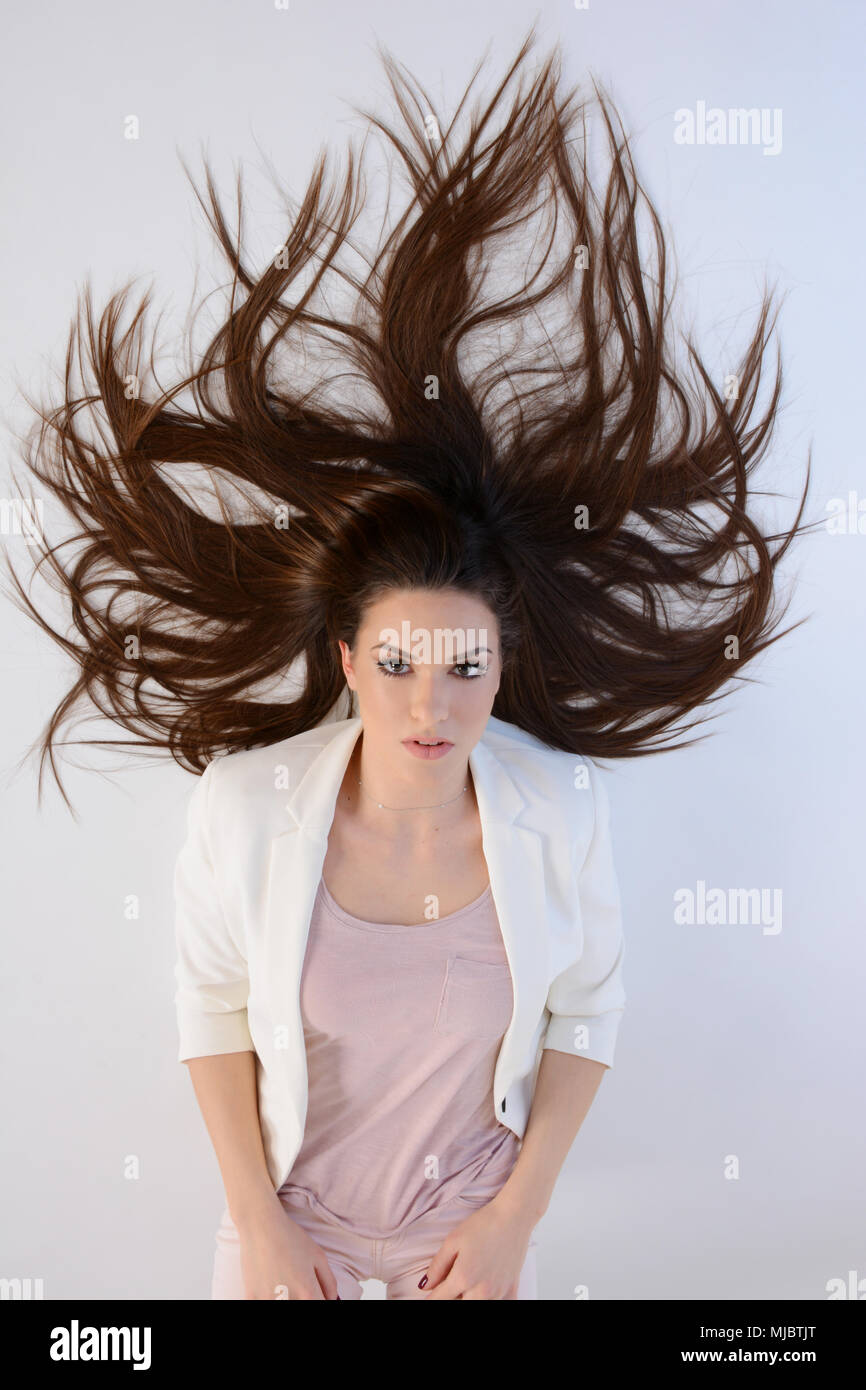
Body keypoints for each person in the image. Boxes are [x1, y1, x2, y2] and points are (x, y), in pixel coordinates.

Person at [8, 28, 816, 1299]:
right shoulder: (244, 810)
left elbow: (584, 1018)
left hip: (465, 1242)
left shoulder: (557, 812)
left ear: (502, 667)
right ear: (345, 658)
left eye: (463, 665)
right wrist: (258, 1230)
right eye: (395, 664)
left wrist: (508, 1226)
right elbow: (212, 1010)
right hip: (290, 1238)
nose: (430, 703)